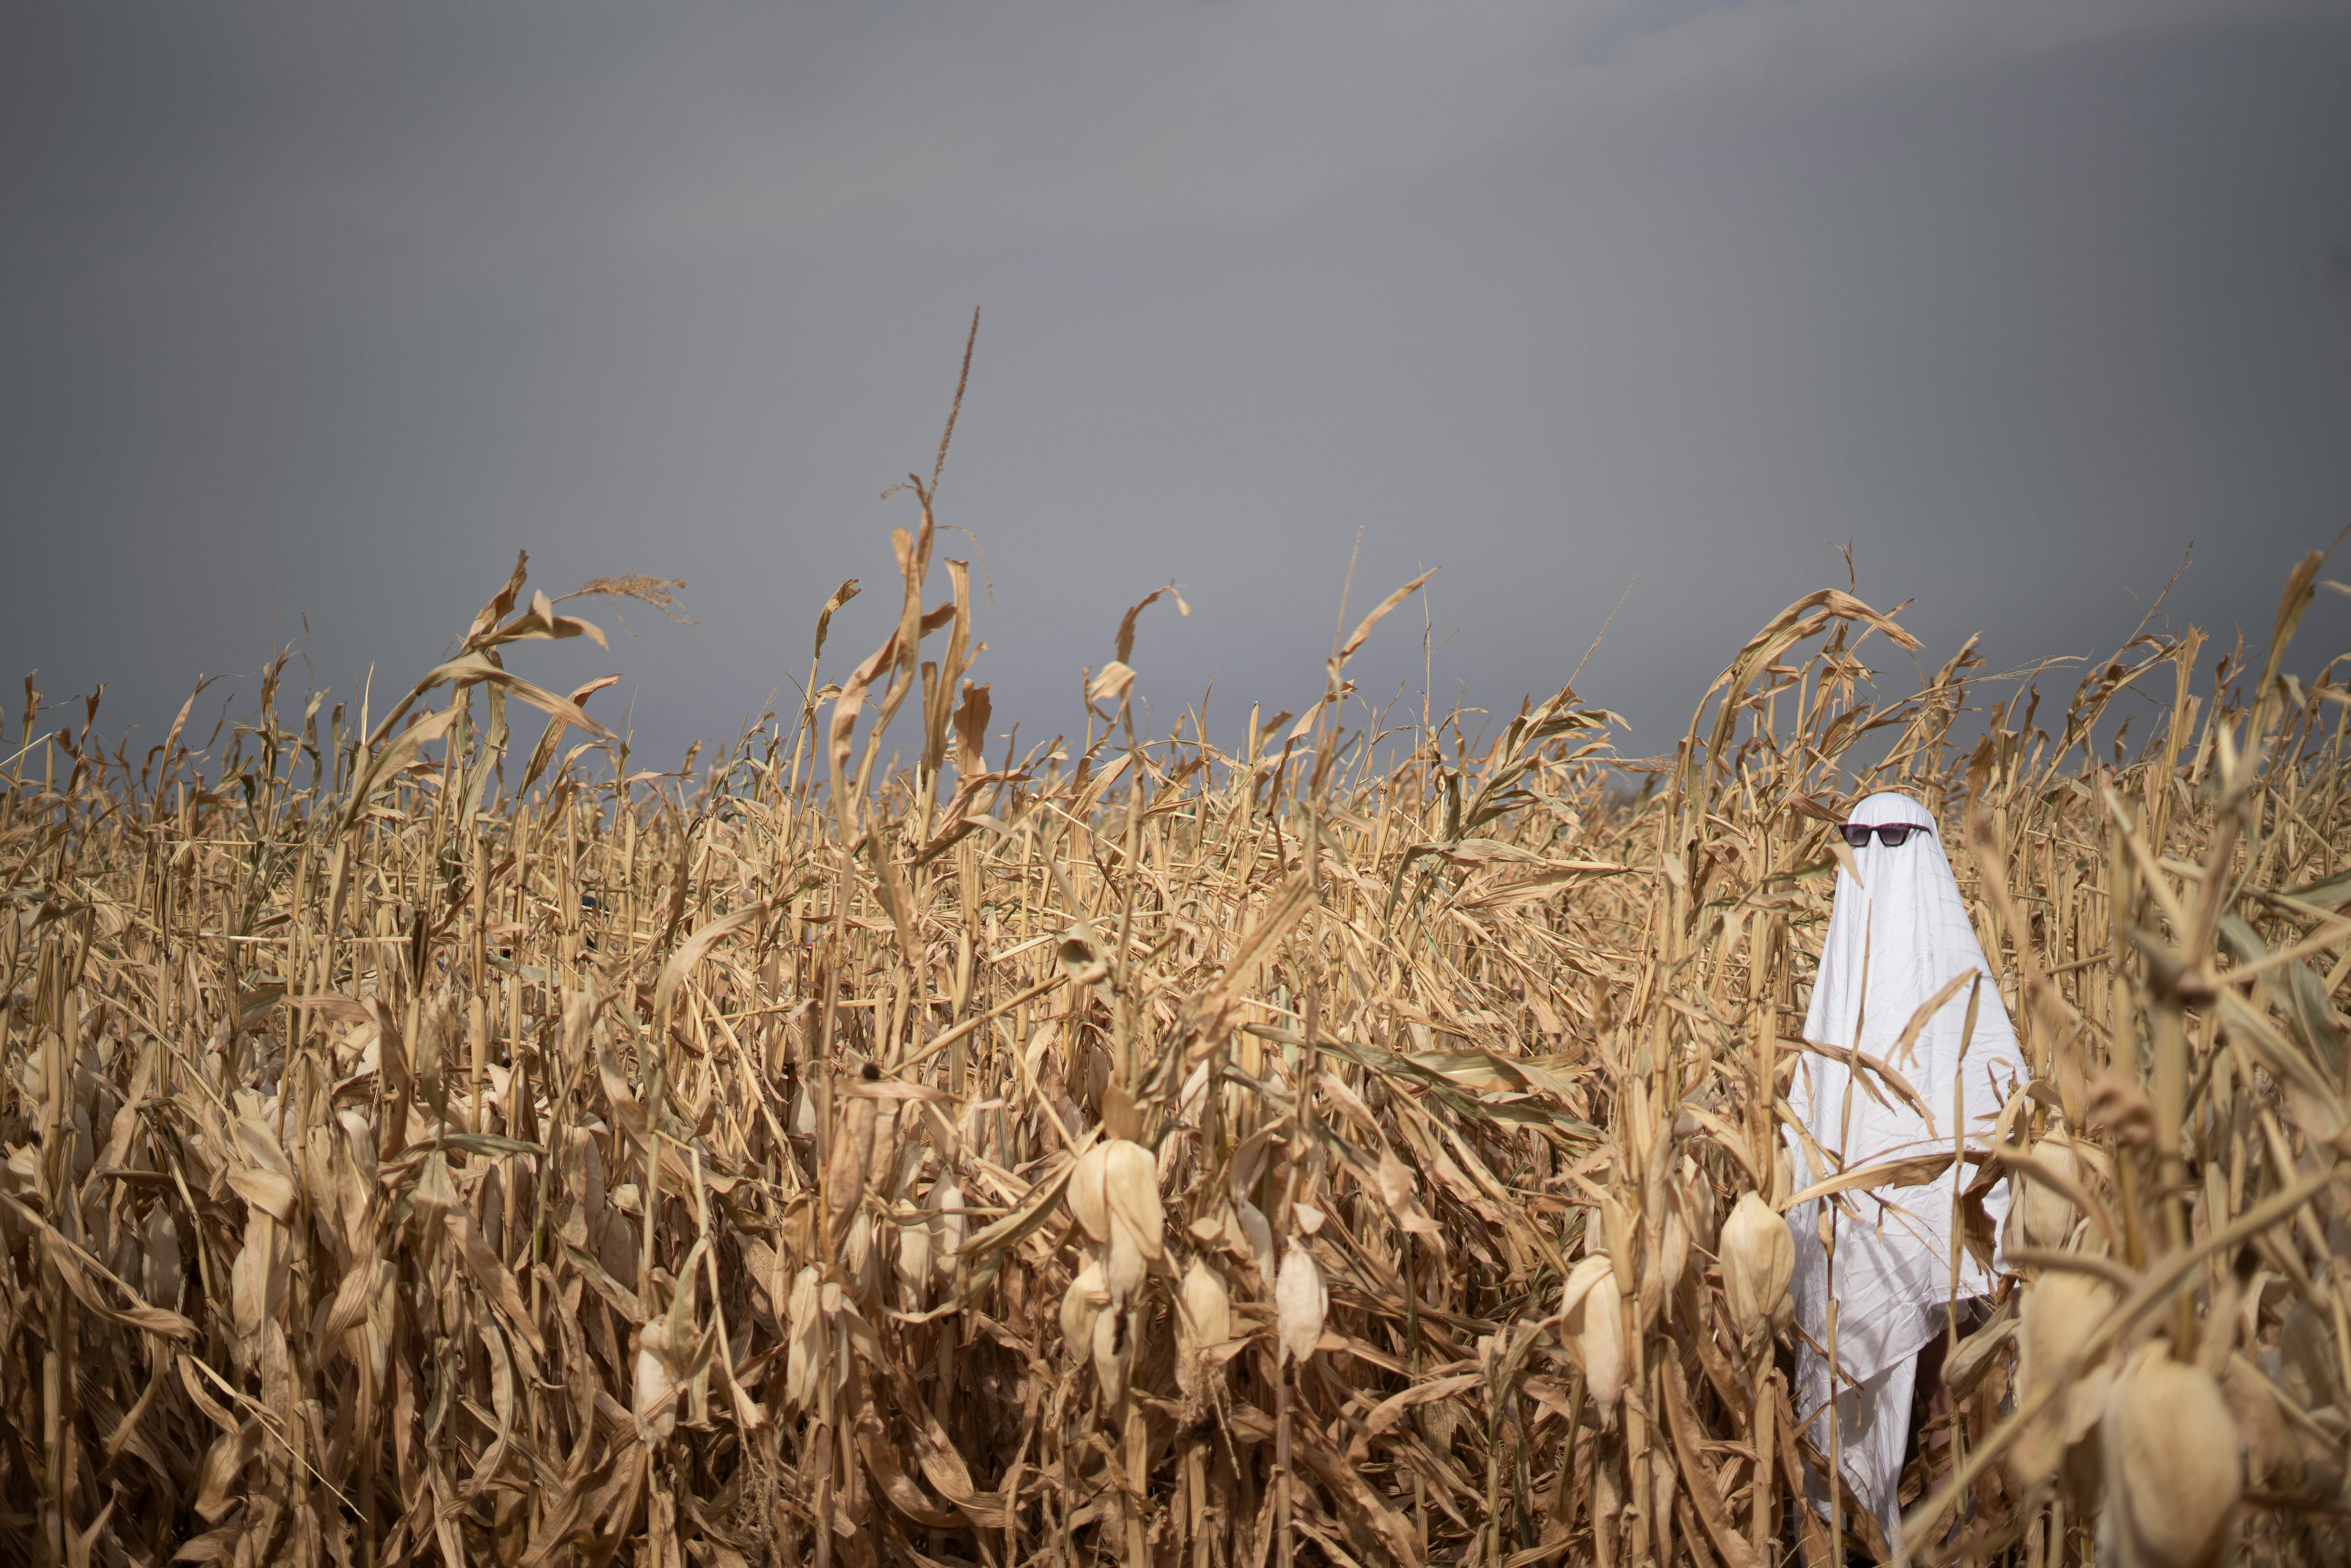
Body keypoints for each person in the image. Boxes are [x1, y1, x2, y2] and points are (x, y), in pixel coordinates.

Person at [1785, 790, 2027, 1556]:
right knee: (1856, 1382)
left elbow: (2003, 1136)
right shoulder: (1838, 1003)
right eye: (1861, 839)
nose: (1875, 854)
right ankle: (1858, 1531)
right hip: (1857, 1250)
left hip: (1957, 1282)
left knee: (1955, 1409)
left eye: (1890, 839)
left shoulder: (1960, 991)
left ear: (1916, 848)